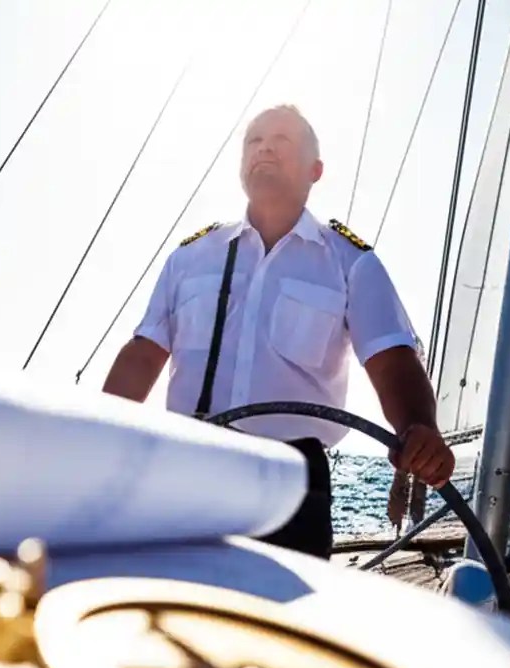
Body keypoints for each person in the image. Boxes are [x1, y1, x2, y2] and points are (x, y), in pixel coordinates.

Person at [101, 104, 453, 559]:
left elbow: (392, 361)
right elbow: (142, 355)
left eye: (282, 139)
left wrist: (418, 426)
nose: (264, 146)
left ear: (315, 169)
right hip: (184, 467)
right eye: (254, 140)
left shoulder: (351, 262)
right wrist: (98, 433)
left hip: (291, 488)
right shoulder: (190, 257)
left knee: (274, 627)